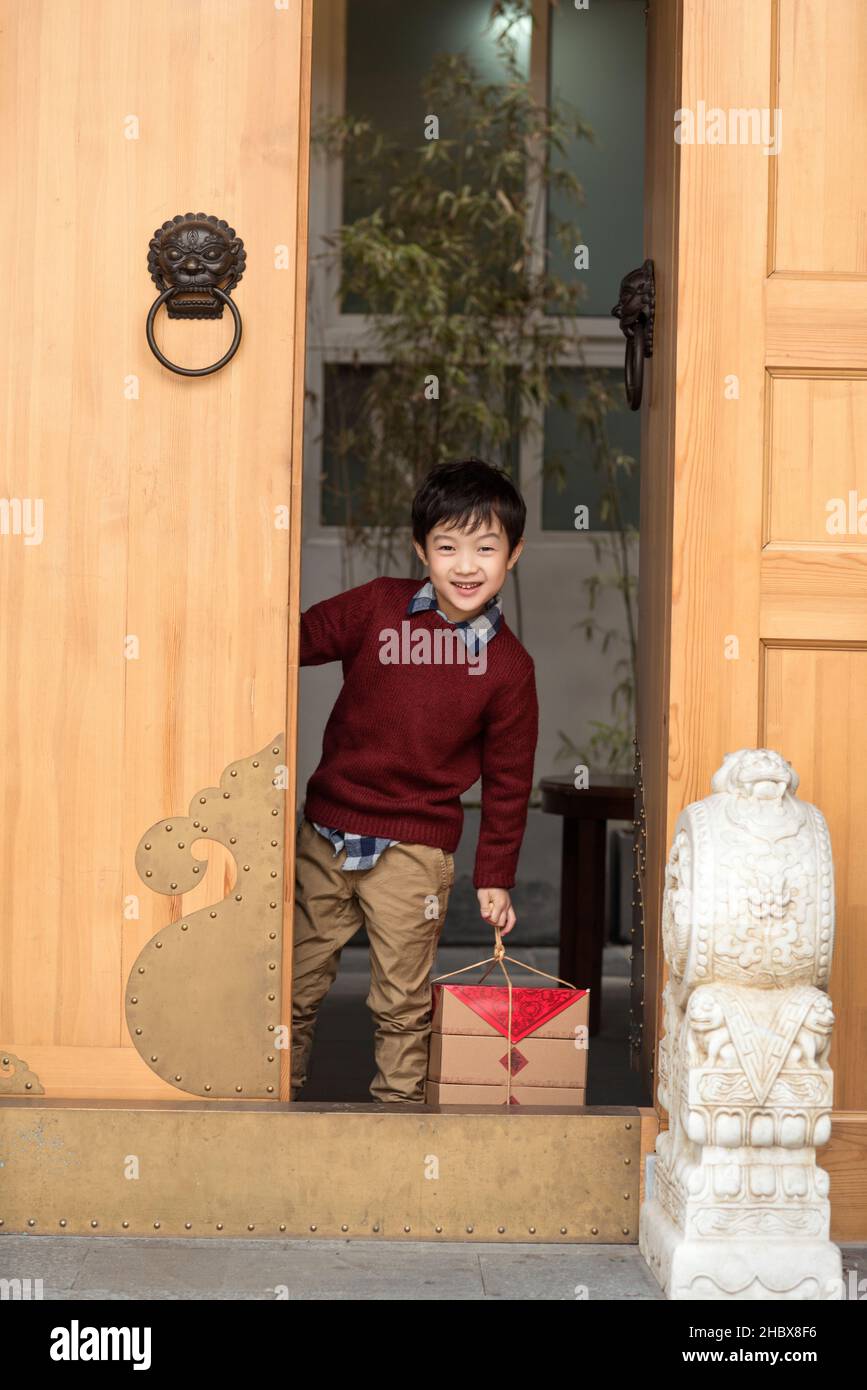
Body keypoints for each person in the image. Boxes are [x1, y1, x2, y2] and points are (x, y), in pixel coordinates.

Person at [291, 456, 539, 1104]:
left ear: (511, 555)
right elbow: (283, 639)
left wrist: (494, 875)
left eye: (484, 548)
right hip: (325, 831)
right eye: (447, 546)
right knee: (290, 984)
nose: (465, 565)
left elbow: (508, 779)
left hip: (413, 847)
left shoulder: (509, 667)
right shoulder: (374, 606)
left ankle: (398, 1125)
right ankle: (270, 1108)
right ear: (420, 550)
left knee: (400, 1000)